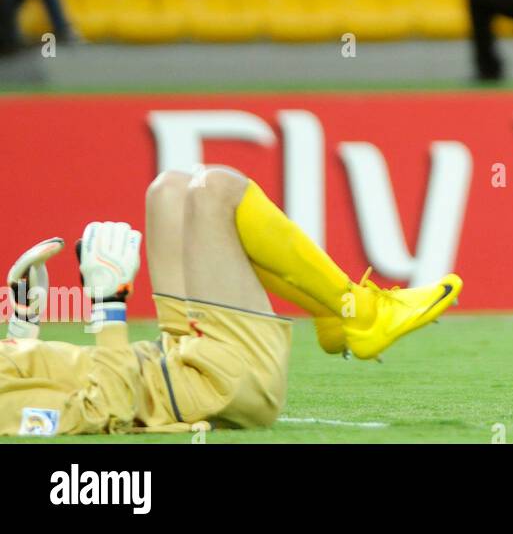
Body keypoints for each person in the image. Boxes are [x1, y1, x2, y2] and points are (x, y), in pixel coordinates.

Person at [0, 166, 463, 435]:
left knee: (169, 190)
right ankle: (358, 313)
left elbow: (37, 377)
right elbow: (107, 411)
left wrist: (21, 329)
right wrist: (109, 305)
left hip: (174, 358)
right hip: (216, 386)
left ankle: (340, 316)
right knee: (217, 189)